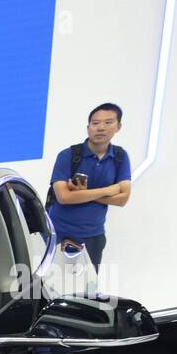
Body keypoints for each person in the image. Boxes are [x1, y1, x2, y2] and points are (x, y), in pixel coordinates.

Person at [47, 103, 131, 271]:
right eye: (95, 123)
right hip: (59, 232)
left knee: (86, 284)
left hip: (93, 236)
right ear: (88, 128)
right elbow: (63, 197)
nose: (101, 128)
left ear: (118, 127)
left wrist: (84, 194)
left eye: (108, 122)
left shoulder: (120, 157)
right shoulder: (69, 155)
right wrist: (107, 191)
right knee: (51, 281)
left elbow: (122, 199)